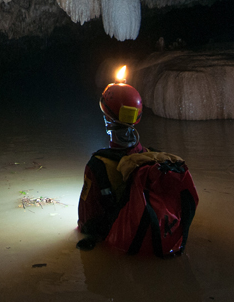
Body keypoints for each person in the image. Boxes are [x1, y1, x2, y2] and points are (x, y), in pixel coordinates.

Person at [76, 79, 198, 256]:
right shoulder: (152, 157)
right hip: (158, 239)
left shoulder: (98, 166)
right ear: (137, 117)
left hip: (120, 247)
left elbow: (86, 222)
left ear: (107, 119)